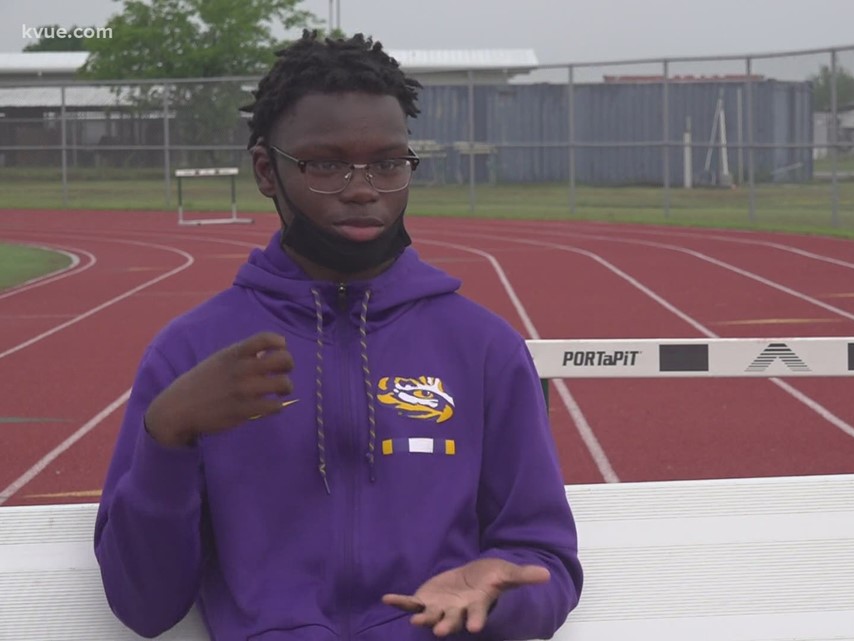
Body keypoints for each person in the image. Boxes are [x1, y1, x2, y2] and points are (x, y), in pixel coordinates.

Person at [94, 30, 583, 641]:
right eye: (325, 164)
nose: (362, 188)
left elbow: (546, 561)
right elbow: (143, 606)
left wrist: (502, 591)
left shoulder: (482, 347)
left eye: (388, 162)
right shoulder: (192, 352)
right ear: (267, 171)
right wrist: (165, 440)